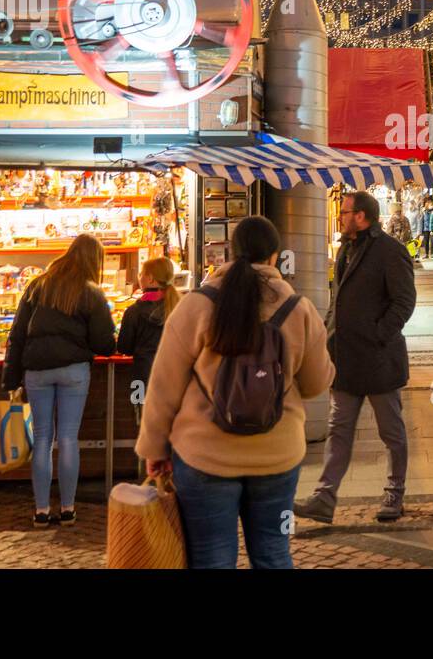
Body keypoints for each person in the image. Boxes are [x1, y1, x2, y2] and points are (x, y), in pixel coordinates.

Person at [138, 217, 334, 569]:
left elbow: (163, 386)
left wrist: (154, 448)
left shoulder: (196, 306)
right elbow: (317, 384)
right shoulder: (299, 309)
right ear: (275, 257)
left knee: (212, 557)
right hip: (277, 456)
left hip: (204, 457)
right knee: (274, 552)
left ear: (231, 251)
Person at [295, 191, 417, 524]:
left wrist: (379, 334)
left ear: (361, 216)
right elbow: (340, 300)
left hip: (378, 359)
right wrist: (327, 331)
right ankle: (324, 497)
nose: (340, 216)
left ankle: (395, 493)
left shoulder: (391, 251)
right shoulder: (347, 249)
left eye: (345, 211)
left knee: (391, 432)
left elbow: (404, 301)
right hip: (345, 358)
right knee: (339, 429)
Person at [2, 233, 116, 528]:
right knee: (68, 438)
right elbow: (104, 343)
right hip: (74, 371)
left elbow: (17, 335)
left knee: (42, 438)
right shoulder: (91, 292)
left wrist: (10, 377)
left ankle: (41, 510)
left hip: (37, 370)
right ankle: (67, 508)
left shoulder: (36, 286)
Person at [117, 256, 180, 431]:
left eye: (141, 273)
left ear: (151, 278)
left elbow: (124, 347)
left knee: (144, 428)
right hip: (175, 379)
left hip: (141, 380)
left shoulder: (133, 311)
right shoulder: (180, 306)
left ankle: (146, 459)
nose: (139, 277)